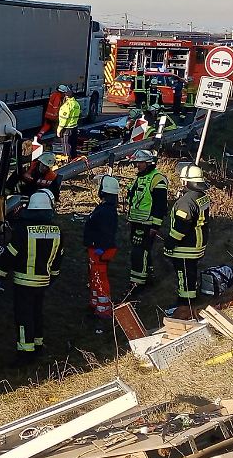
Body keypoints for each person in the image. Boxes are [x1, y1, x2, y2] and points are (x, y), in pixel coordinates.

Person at [0, 189, 62, 361]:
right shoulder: (57, 230)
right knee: (37, 313)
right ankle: (38, 345)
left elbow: (11, 255)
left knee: (23, 316)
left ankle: (25, 353)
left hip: (23, 282)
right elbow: (58, 258)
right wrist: (52, 277)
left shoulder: (23, 230)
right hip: (43, 281)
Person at [164, 165, 212, 318]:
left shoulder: (186, 202)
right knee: (190, 273)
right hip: (198, 242)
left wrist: (170, 241)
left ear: (185, 181)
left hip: (186, 247)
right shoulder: (202, 196)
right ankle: (190, 298)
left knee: (184, 276)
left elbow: (181, 225)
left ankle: (185, 305)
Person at [125, 149, 169, 293]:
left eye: (140, 162)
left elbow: (160, 205)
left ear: (148, 163)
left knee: (139, 253)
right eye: (136, 162)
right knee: (143, 251)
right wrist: (130, 218)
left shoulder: (157, 179)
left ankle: (137, 285)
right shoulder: (140, 177)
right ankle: (148, 276)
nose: (137, 165)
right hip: (136, 222)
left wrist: (155, 226)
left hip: (147, 224)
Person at [84, 175, 120, 319]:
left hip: (100, 250)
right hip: (97, 249)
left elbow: (106, 234)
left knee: (100, 279)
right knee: (95, 277)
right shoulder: (105, 209)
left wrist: (100, 250)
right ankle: (95, 304)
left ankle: (103, 310)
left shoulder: (106, 211)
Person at [56, 88, 81, 160]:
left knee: (65, 144)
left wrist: (59, 129)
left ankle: (67, 159)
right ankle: (74, 158)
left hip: (66, 128)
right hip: (74, 127)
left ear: (66, 97)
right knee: (73, 144)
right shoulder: (76, 104)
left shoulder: (66, 105)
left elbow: (64, 118)